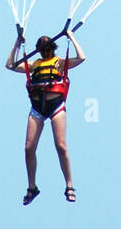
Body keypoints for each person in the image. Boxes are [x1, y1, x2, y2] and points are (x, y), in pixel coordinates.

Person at [6, 27, 85, 205]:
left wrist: (71, 37)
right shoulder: (34, 64)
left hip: (56, 106)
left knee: (61, 145)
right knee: (28, 148)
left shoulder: (59, 63)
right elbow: (10, 65)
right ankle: (32, 187)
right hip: (37, 109)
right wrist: (17, 43)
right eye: (43, 49)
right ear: (40, 50)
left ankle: (69, 185)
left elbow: (81, 58)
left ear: (52, 49)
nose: (46, 51)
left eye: (48, 48)